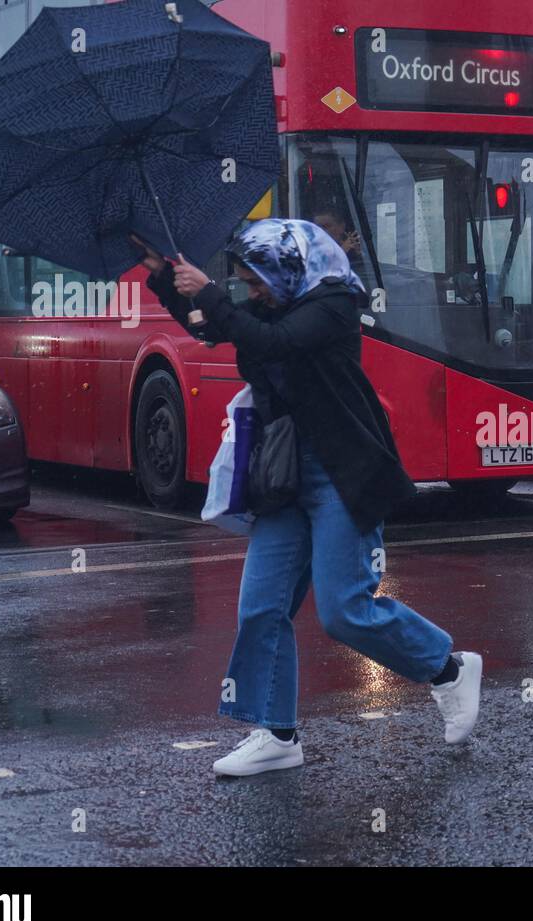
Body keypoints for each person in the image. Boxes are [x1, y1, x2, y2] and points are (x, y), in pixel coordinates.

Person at [133, 221, 482, 777]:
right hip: (284, 473)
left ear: (284, 270)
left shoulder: (334, 304)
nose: (251, 293)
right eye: (245, 284)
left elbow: (276, 342)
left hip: (341, 472)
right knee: (260, 608)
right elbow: (209, 330)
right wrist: (168, 280)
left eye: (256, 282)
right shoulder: (276, 303)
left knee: (346, 612)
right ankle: (276, 734)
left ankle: (448, 669)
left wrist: (212, 291)